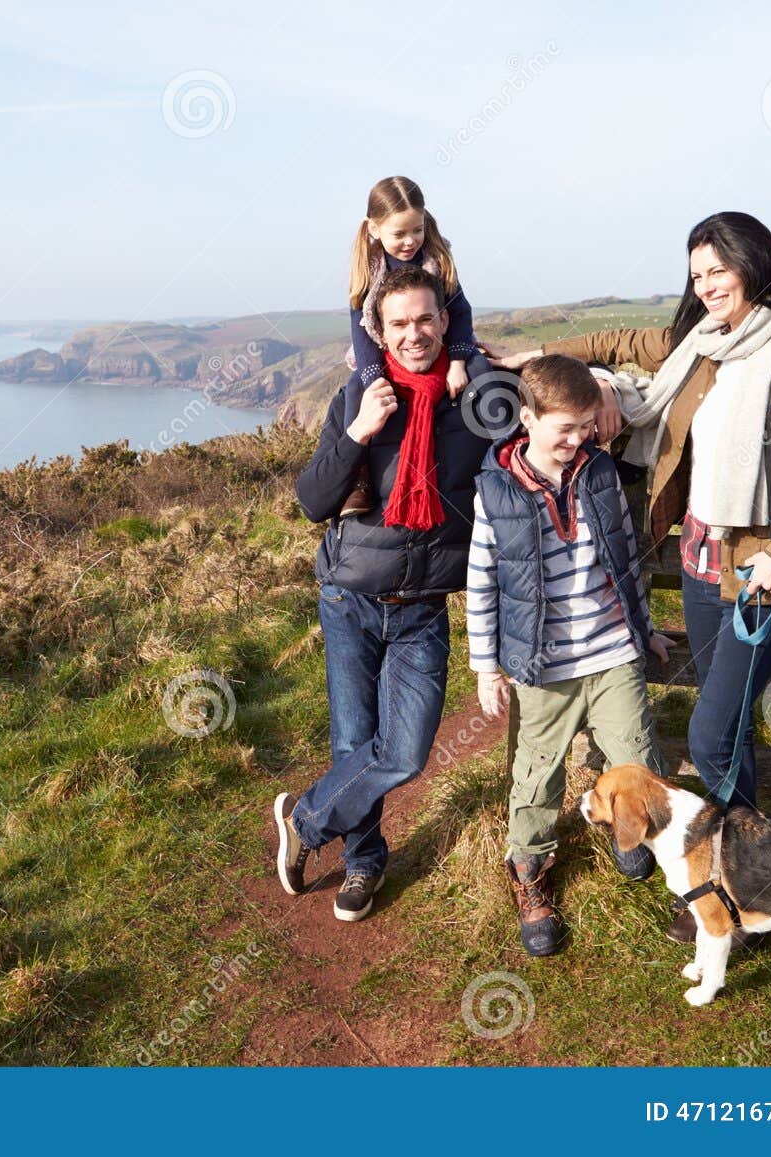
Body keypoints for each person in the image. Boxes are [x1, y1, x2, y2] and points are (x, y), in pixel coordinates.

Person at [495, 211, 771, 944]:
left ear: (754, 264)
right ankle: (751, 877)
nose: (705, 286)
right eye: (696, 274)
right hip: (703, 564)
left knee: (710, 737)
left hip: (762, 574)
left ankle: (732, 885)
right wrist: (533, 356)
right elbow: (615, 342)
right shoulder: (701, 342)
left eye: (718, 271)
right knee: (726, 727)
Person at [274, 265, 621, 923]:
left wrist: (601, 382)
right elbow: (312, 500)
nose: (414, 334)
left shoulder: (478, 396)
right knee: (355, 741)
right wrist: (357, 436)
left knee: (403, 753)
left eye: (426, 319)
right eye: (399, 323)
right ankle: (364, 864)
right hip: (350, 597)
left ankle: (306, 817)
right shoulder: (358, 397)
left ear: (447, 320)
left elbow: (548, 407)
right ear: (377, 330)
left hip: (425, 605)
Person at [468, 354, 672, 957]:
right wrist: (486, 666)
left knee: (636, 754)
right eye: (565, 428)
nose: (578, 439)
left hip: (612, 650)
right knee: (537, 777)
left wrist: (647, 627)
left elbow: (625, 557)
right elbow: (482, 581)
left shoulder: (601, 474)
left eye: (586, 426)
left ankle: (629, 830)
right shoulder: (495, 493)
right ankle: (529, 874)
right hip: (543, 666)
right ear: (526, 418)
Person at [337, 175, 479, 517]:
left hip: (438, 343)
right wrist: (374, 377)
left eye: (416, 229)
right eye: (398, 233)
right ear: (374, 228)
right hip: (382, 349)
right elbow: (361, 328)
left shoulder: (438, 257)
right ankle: (360, 478)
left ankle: (494, 457)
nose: (410, 241)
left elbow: (459, 311)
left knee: (483, 373)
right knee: (357, 393)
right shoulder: (368, 268)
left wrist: (459, 361)